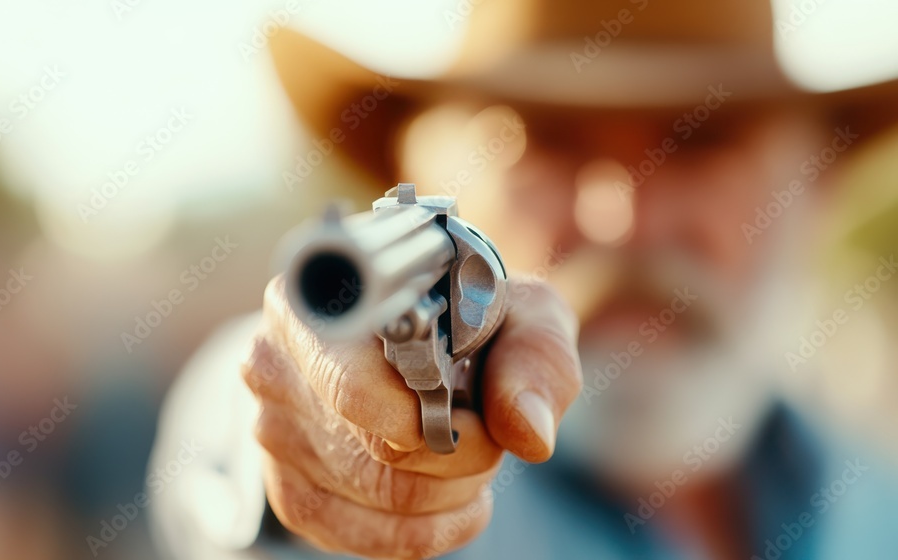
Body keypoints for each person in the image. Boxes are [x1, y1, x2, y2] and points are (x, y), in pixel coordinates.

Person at [148, 0, 898, 558]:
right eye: (546, 141)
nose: (623, 220)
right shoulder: (419, 517)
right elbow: (253, 409)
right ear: (422, 172)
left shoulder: (877, 508)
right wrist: (302, 430)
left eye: (700, 141)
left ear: (818, 187)